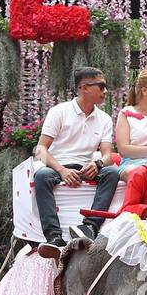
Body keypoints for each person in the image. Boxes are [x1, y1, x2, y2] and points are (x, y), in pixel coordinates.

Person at [33, 67, 121, 258]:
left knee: (112, 172)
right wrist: (62, 170)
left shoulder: (104, 118)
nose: (105, 91)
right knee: (41, 176)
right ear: (83, 88)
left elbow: (108, 155)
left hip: (86, 166)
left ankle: (89, 227)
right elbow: (39, 150)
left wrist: (97, 165)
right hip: (58, 165)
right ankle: (54, 238)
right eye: (101, 86)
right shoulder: (59, 111)